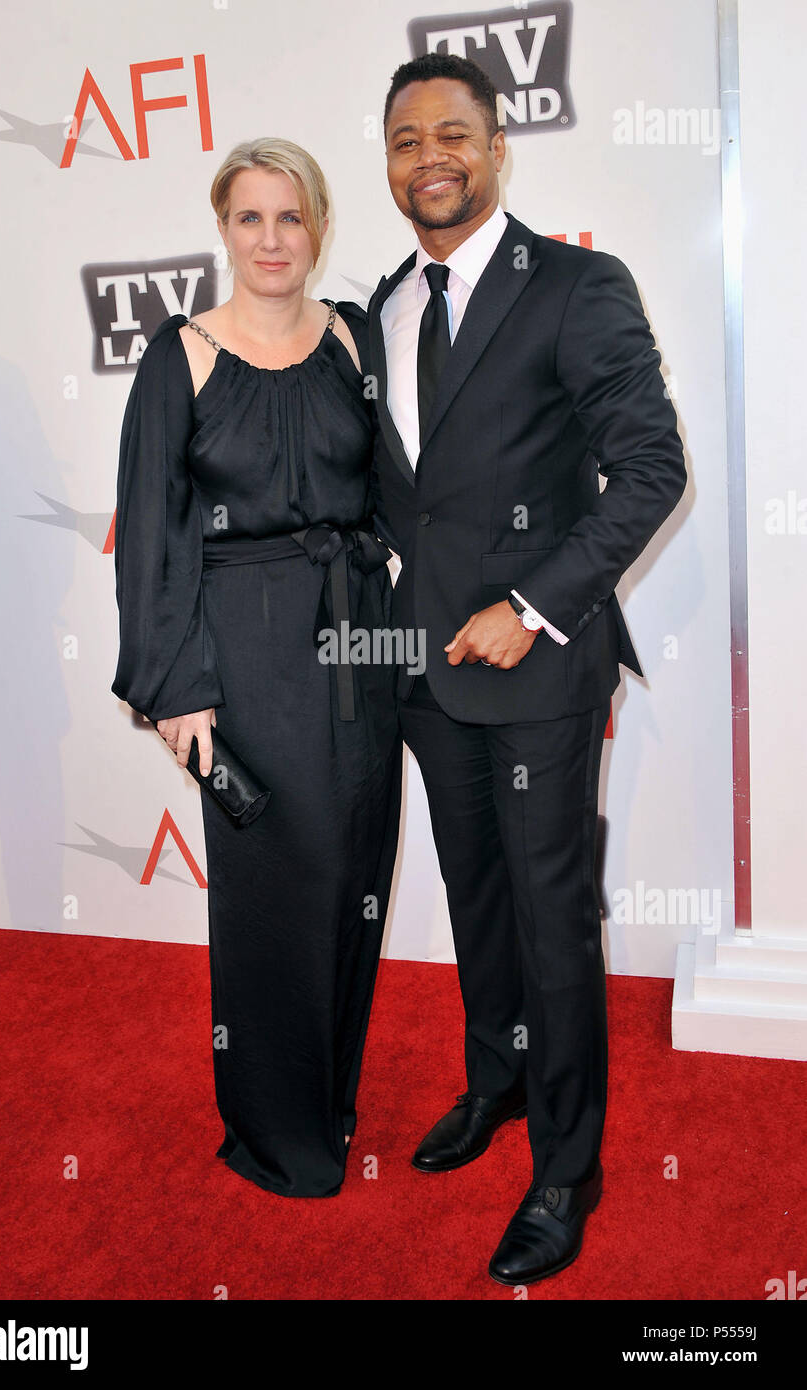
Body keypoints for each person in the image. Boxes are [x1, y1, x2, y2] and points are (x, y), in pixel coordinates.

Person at [367, 54, 686, 1284]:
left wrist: (536, 605)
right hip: (430, 677)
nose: (430, 155)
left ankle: (567, 1168)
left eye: (454, 132)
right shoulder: (387, 302)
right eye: (406, 139)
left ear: (499, 148)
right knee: (477, 900)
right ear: (386, 161)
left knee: (554, 921)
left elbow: (649, 471)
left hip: (538, 669)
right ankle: (495, 1083)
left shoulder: (577, 285)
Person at [111, 138, 402, 1199]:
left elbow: (395, 494)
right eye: (250, 218)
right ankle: (277, 1131)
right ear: (223, 227)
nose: (272, 239)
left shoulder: (355, 341)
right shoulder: (180, 354)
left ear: (318, 226)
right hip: (242, 653)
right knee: (276, 887)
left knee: (357, 872)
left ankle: (330, 1094)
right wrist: (174, 685)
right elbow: (151, 528)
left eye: (291, 217)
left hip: (357, 641)